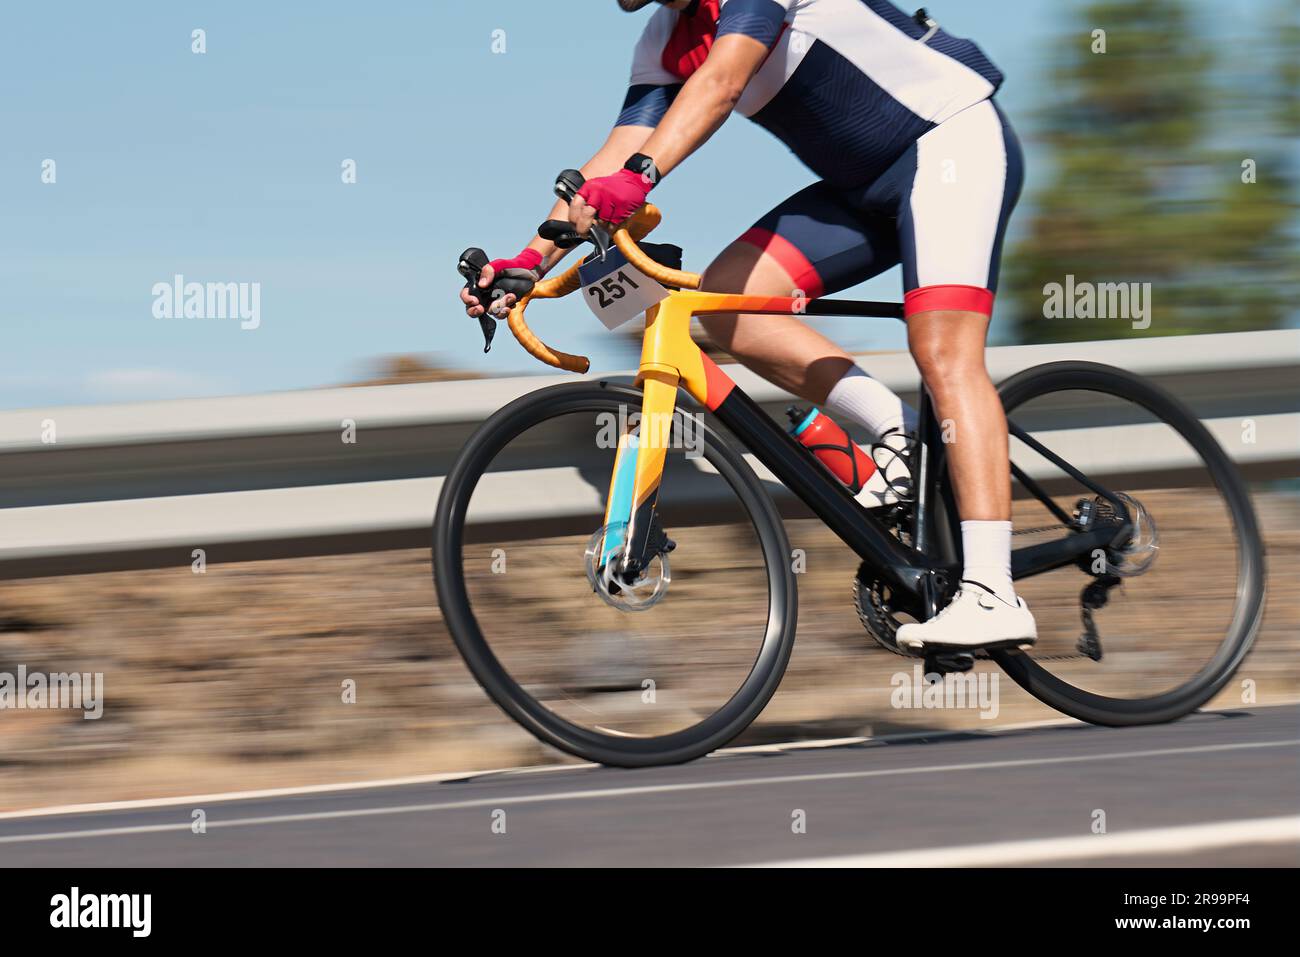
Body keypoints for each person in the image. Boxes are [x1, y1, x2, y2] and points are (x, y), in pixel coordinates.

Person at [460, 0, 1034, 653]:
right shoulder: (664, 39)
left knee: (942, 351)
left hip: (950, 143)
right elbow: (614, 154)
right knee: (728, 302)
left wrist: (640, 179)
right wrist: (526, 263)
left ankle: (992, 591)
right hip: (857, 189)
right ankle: (899, 435)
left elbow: (723, 80)